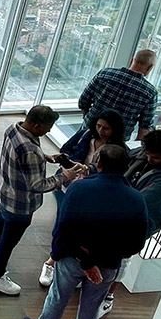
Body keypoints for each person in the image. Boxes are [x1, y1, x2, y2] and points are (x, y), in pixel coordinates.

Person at [22, 144, 148, 319]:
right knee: (92, 304)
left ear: (98, 163)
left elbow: (64, 228)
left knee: (58, 295)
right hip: (108, 264)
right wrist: (107, 257)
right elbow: (136, 244)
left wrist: (80, 258)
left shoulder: (79, 189)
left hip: (73, 257)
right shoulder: (136, 199)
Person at [0, 105, 87, 295]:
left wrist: (45, 157)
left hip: (5, 191)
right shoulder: (31, 151)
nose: (49, 131)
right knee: (9, 240)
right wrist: (65, 176)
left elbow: (24, 155)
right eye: (48, 127)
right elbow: (38, 185)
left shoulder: (13, 128)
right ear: (37, 126)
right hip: (20, 205)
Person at [97, 129, 161, 316]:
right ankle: (97, 279)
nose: (148, 159)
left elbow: (139, 201)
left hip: (141, 222)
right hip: (120, 213)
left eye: (154, 157)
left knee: (122, 257)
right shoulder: (144, 154)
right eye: (147, 154)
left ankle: (108, 296)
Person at [38, 110, 127, 288]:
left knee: (78, 227)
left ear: (115, 130)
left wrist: (89, 169)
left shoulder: (118, 150)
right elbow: (65, 149)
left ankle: (64, 262)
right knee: (62, 224)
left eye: (106, 128)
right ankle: (52, 261)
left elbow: (113, 171)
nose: (101, 130)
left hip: (90, 190)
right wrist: (71, 163)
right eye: (99, 125)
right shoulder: (86, 134)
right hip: (68, 183)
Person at [78, 49, 159, 141]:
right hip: (116, 141)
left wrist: (88, 118)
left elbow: (83, 101)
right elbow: (145, 126)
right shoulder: (149, 92)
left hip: (89, 130)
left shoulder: (104, 74)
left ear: (132, 60)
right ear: (150, 68)